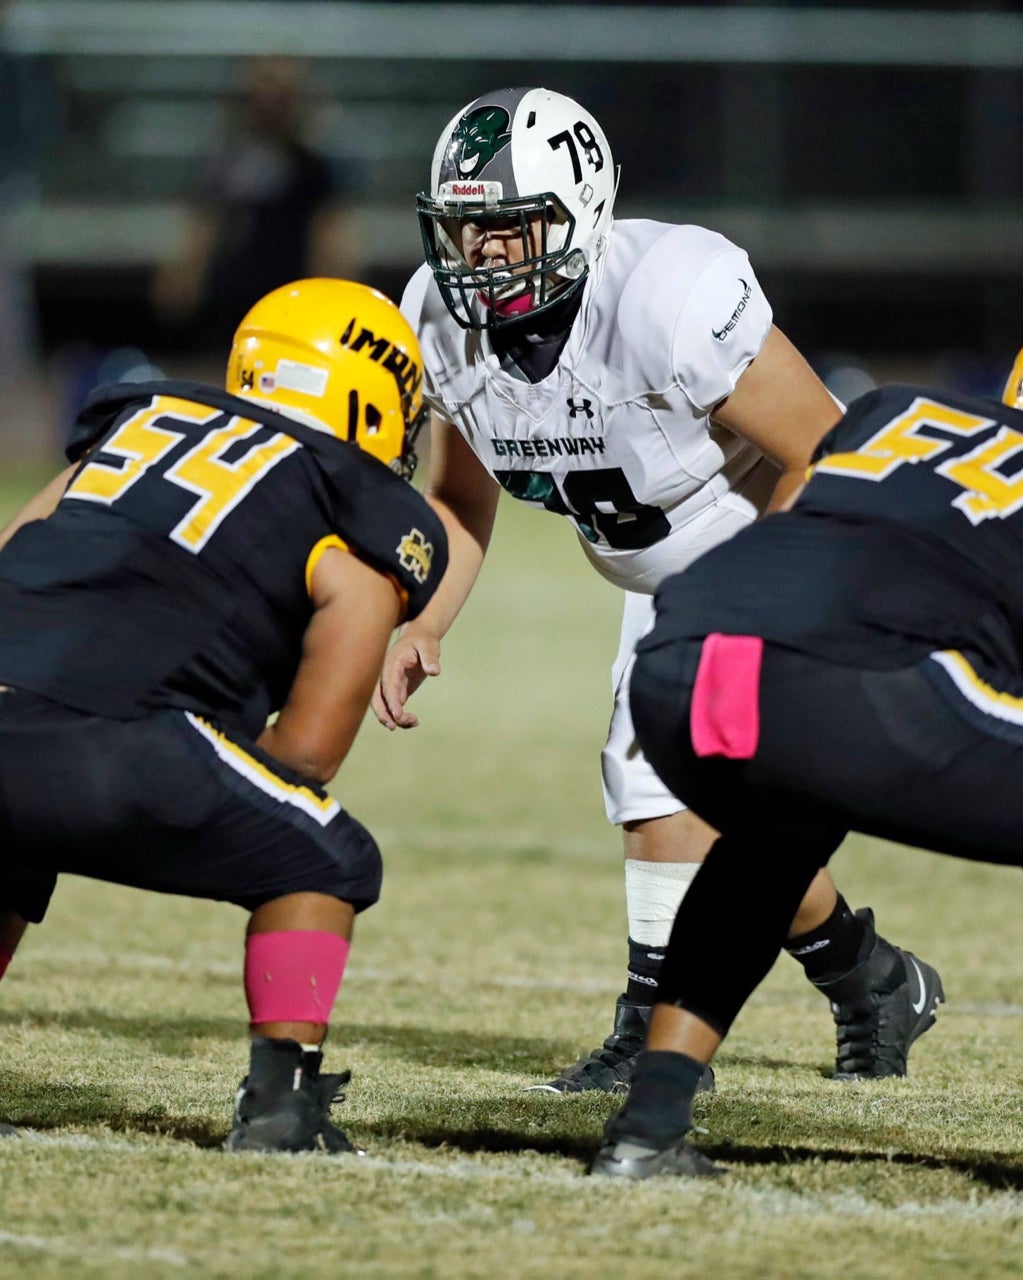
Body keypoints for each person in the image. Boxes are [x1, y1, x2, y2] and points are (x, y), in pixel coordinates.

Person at [376, 86, 942, 1092]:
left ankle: (654, 1028)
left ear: (582, 211)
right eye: (469, 230)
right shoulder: (443, 320)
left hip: (776, 535)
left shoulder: (666, 296)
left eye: (515, 228)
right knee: (731, 807)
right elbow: (460, 493)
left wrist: (751, 598)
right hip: (667, 567)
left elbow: (828, 449)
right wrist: (425, 618)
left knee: (652, 766)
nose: (488, 255)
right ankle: (871, 976)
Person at [0, 279, 446, 1153]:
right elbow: (306, 756)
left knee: (12, 834)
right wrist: (187, 782)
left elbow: (22, 544)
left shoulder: (133, 429)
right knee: (324, 848)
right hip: (118, 738)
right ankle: (281, 1103)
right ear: (368, 399)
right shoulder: (342, 507)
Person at [590, 355, 1023, 1178]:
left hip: (680, 661)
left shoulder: (889, 411)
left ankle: (647, 1127)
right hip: (841, 681)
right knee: (784, 813)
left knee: (769, 838)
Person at [153, 56, 362, 351]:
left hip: (289, 303)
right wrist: (183, 278)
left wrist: (337, 299)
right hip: (229, 301)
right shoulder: (224, 160)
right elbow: (202, 225)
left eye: (279, 87)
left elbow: (328, 237)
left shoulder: (314, 166)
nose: (270, 98)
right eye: (263, 84)